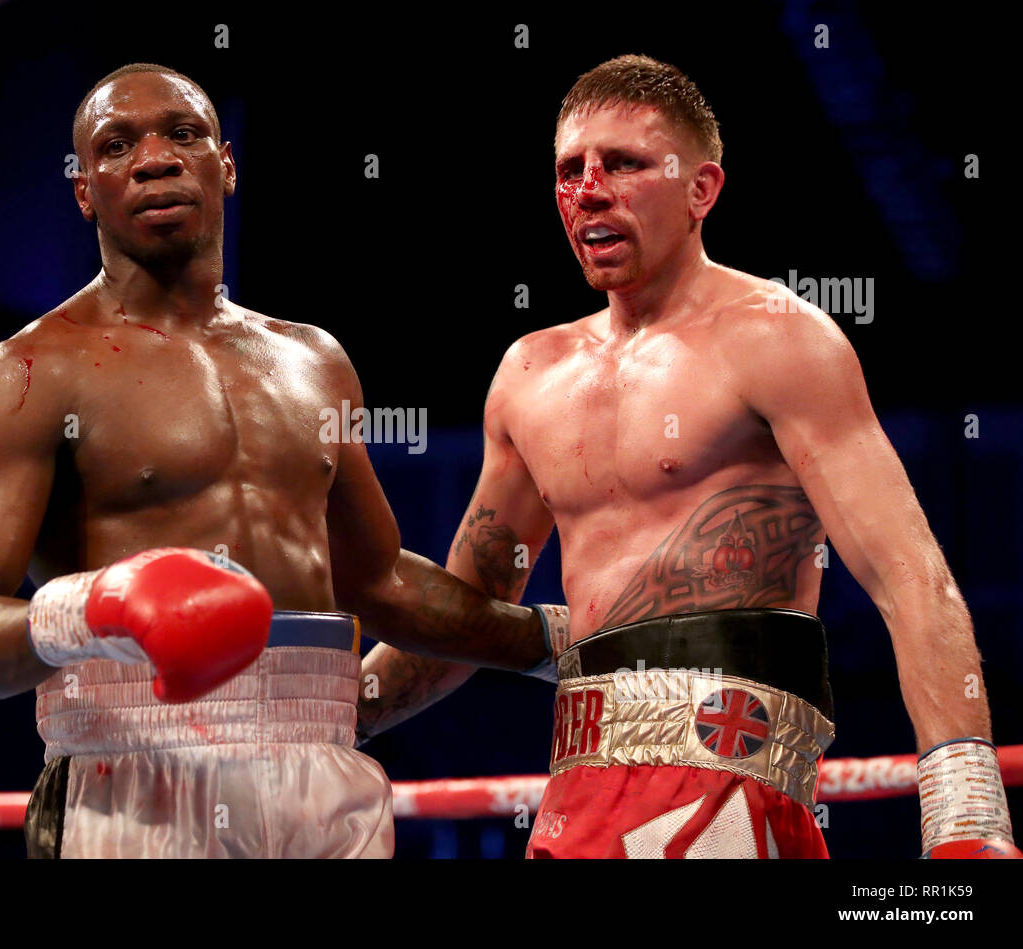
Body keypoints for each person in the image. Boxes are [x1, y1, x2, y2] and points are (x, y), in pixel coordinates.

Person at [358, 55, 1018, 859]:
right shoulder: (529, 374)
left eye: (625, 164)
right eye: (570, 169)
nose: (589, 190)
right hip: (575, 790)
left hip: (728, 775)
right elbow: (463, 615)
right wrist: (328, 708)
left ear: (702, 189)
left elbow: (911, 576)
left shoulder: (778, 340)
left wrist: (967, 816)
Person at [0, 63, 554, 859]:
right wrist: (99, 606)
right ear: (83, 190)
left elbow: (380, 580)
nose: (154, 158)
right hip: (137, 775)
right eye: (117, 145)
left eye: (182, 133)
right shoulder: (29, 374)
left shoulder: (313, 359)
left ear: (227, 163)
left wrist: (555, 642)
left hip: (324, 770)